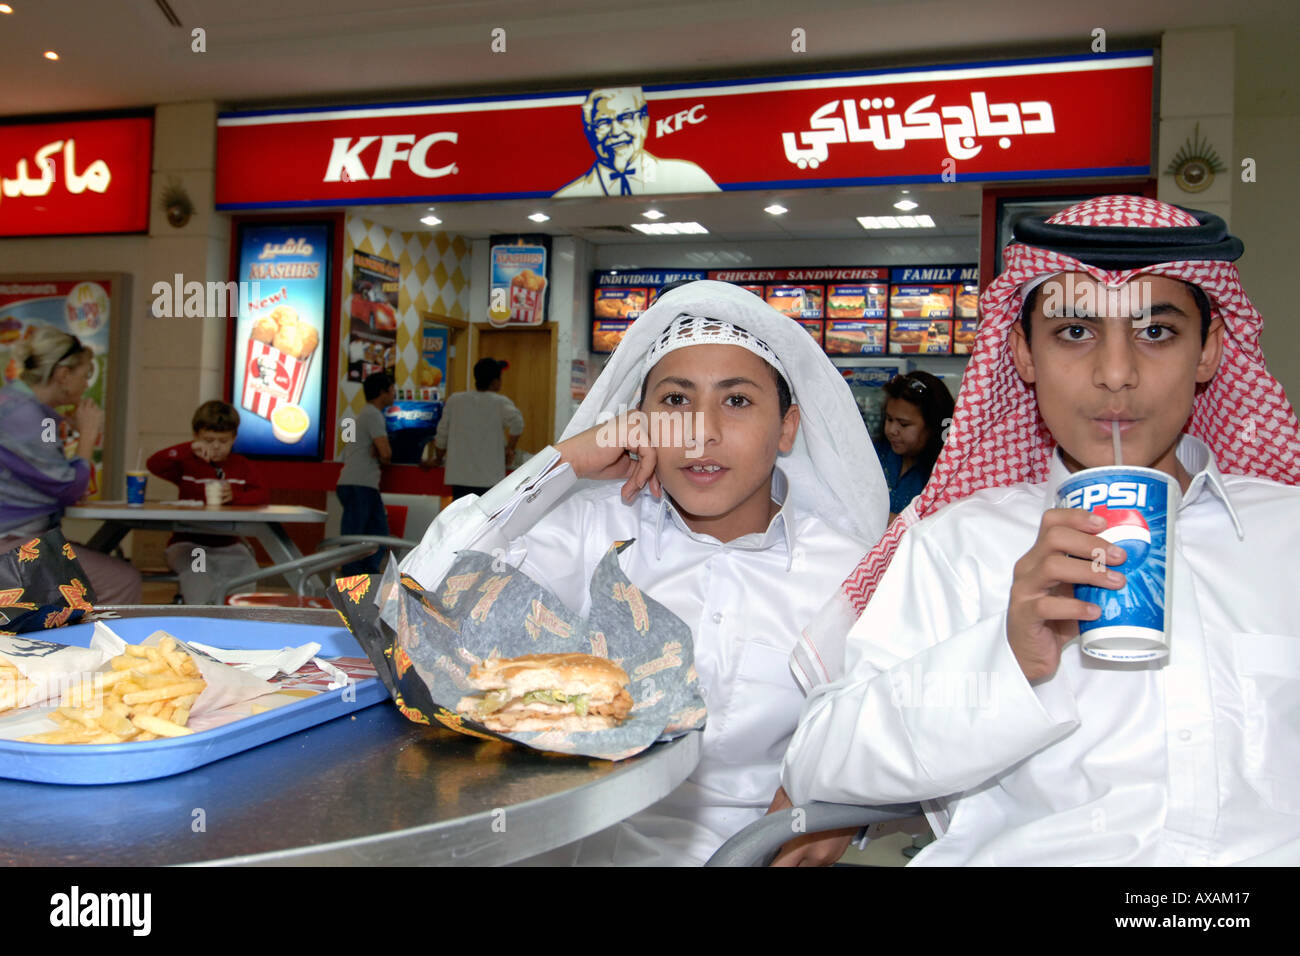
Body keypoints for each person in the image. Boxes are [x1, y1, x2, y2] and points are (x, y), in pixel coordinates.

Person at [782, 195, 1300, 865]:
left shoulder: (1286, 535)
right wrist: (1005, 657)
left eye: (1157, 332)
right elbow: (822, 761)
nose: (1117, 374)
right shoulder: (959, 545)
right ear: (1023, 353)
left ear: (1209, 353)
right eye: (1075, 332)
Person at [398, 280, 888, 865]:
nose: (702, 432)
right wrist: (565, 464)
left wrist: (837, 807)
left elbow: (899, 727)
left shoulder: (851, 571)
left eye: (736, 401)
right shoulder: (591, 528)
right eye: (676, 402)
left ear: (786, 427)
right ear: (640, 420)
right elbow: (416, 609)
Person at [0, 326, 142, 604]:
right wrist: (88, 435)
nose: (87, 384)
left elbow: (45, 476)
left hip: (18, 537)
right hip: (12, 544)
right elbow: (67, 487)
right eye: (84, 374)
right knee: (122, 581)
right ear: (63, 375)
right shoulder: (27, 415)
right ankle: (104, 648)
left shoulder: (17, 404)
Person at [146, 400, 269, 604]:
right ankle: (200, 620)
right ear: (196, 437)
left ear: (234, 438)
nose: (216, 447)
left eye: (223, 441)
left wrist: (236, 497)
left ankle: (238, 621)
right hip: (190, 544)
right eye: (209, 440)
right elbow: (155, 463)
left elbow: (262, 496)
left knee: (248, 570)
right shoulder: (187, 464)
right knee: (199, 573)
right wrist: (189, 448)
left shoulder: (242, 466)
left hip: (229, 544)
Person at [553, 87, 720, 198]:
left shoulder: (691, 178)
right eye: (603, 123)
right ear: (589, 133)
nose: (616, 132)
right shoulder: (566, 196)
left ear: (644, 122)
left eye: (625, 117)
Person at [425, 358, 524, 499]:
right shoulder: (500, 402)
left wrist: (438, 458)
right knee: (488, 520)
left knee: (462, 518)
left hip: (459, 478)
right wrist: (510, 449)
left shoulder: (455, 400)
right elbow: (518, 423)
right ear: (495, 382)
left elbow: (442, 435)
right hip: (490, 478)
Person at [876, 371, 955, 522]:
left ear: (933, 427)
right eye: (889, 419)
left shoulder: (946, 475)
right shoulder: (875, 455)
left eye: (903, 424)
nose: (892, 430)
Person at [336, 371, 394, 575]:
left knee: (371, 534)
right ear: (382, 392)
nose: (394, 392)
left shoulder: (359, 415)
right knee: (369, 536)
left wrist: (376, 450)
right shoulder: (373, 415)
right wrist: (381, 451)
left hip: (353, 482)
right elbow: (386, 453)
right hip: (361, 485)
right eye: (392, 388)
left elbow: (352, 450)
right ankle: (353, 582)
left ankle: (364, 578)